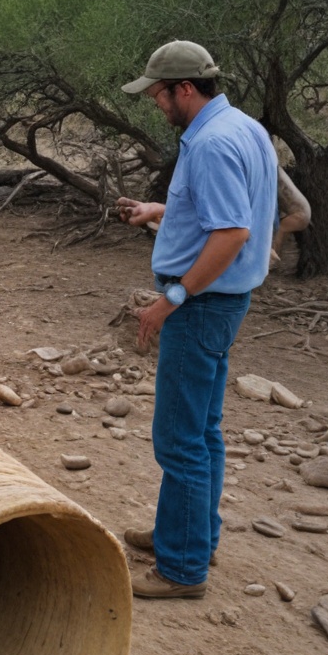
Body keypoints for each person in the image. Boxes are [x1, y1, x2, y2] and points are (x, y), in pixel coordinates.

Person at [114, 41, 277, 599]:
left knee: (178, 437)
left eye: (159, 93)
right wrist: (161, 210)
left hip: (202, 305)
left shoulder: (209, 143)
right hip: (224, 303)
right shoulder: (243, 127)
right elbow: (233, 210)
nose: (156, 103)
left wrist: (171, 299)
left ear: (185, 88)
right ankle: (186, 535)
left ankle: (181, 569)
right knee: (203, 430)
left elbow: (232, 233)